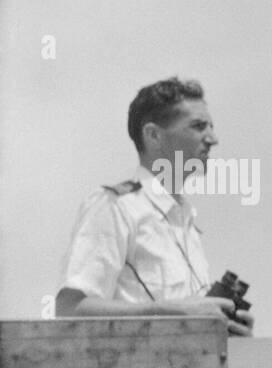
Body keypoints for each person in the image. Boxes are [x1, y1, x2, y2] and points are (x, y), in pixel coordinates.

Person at [56, 77, 253, 335]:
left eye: (211, 127)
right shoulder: (115, 208)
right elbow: (70, 308)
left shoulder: (184, 220)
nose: (212, 138)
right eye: (198, 126)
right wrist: (174, 311)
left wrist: (226, 331)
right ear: (153, 135)